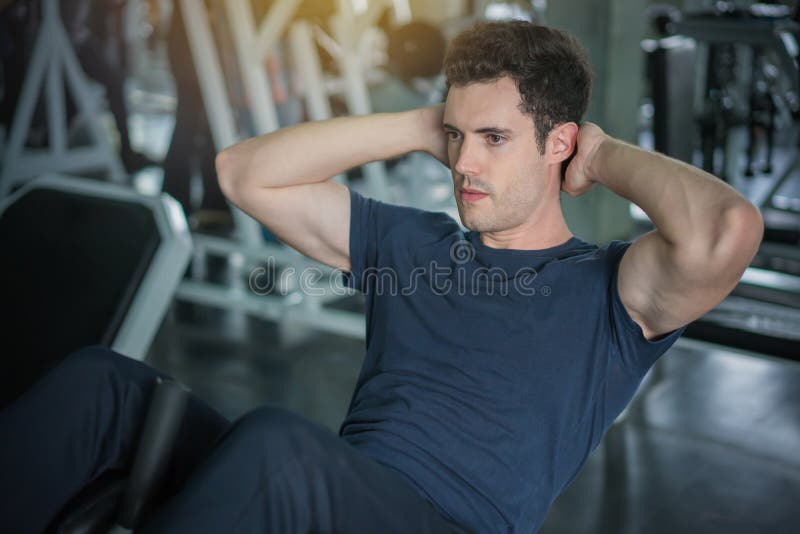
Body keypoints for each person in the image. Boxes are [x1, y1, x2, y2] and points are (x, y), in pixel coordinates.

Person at [0, 21, 763, 533]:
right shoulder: (415, 242)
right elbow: (243, 174)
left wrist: (597, 158)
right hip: (333, 494)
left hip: (440, 520)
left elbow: (725, 230)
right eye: (460, 138)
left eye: (496, 139)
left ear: (555, 142)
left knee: (278, 448)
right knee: (107, 387)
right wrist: (424, 125)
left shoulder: (611, 293)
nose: (466, 162)